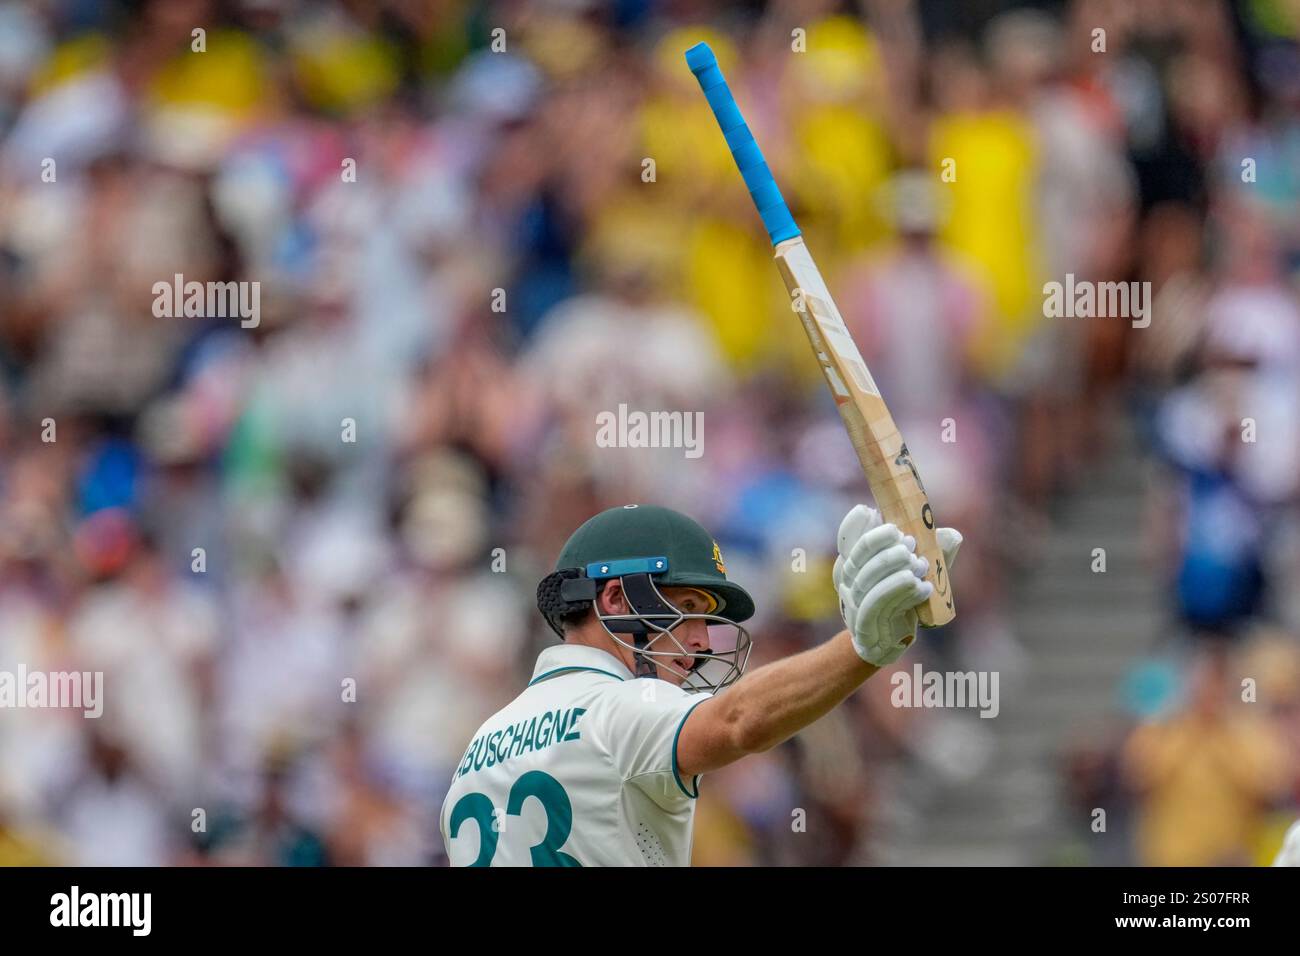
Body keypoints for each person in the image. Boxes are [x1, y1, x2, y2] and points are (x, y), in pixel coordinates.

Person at [439, 502, 961, 866]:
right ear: (617, 601)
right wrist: (864, 648)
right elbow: (737, 721)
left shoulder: (478, 750)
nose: (702, 642)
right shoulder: (620, 707)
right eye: (686, 608)